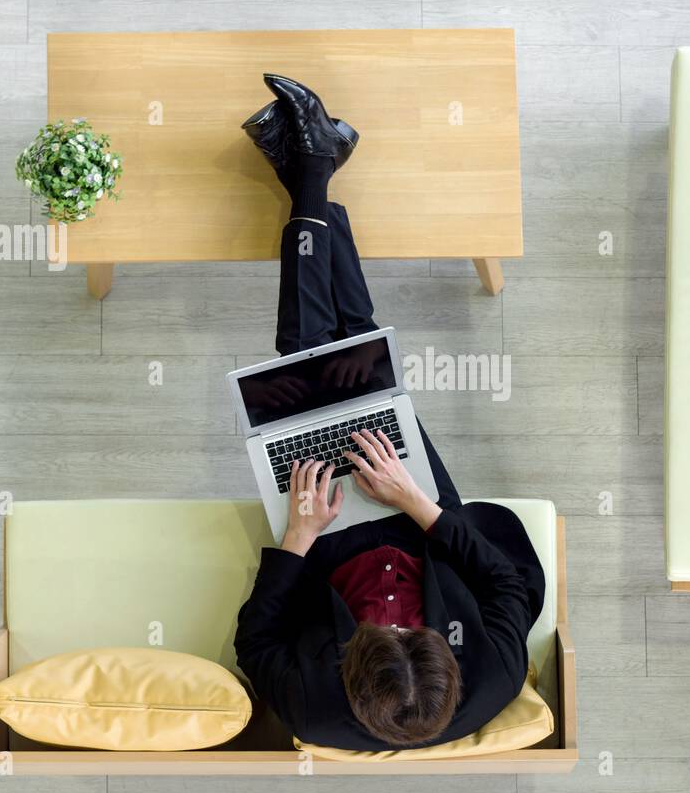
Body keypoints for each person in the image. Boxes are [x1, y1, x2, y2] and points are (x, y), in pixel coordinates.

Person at [233, 74, 545, 751]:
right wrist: (416, 501)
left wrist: (299, 535)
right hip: (417, 522)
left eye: (386, 633)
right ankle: (312, 168)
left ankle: (314, 169)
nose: (397, 621)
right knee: (357, 368)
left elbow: (254, 640)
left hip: (327, 534)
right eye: (416, 632)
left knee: (310, 357)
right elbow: (503, 582)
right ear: (444, 655)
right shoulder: (491, 673)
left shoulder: (314, 707)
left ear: (352, 666)